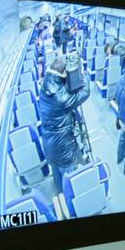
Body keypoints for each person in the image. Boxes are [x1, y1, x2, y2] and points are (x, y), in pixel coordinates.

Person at [36, 52, 92, 198]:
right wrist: (82, 73)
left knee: (57, 175)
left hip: (49, 144)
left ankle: (61, 192)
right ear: (64, 73)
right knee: (70, 179)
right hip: (63, 149)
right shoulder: (61, 99)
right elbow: (85, 93)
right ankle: (71, 201)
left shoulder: (47, 83)